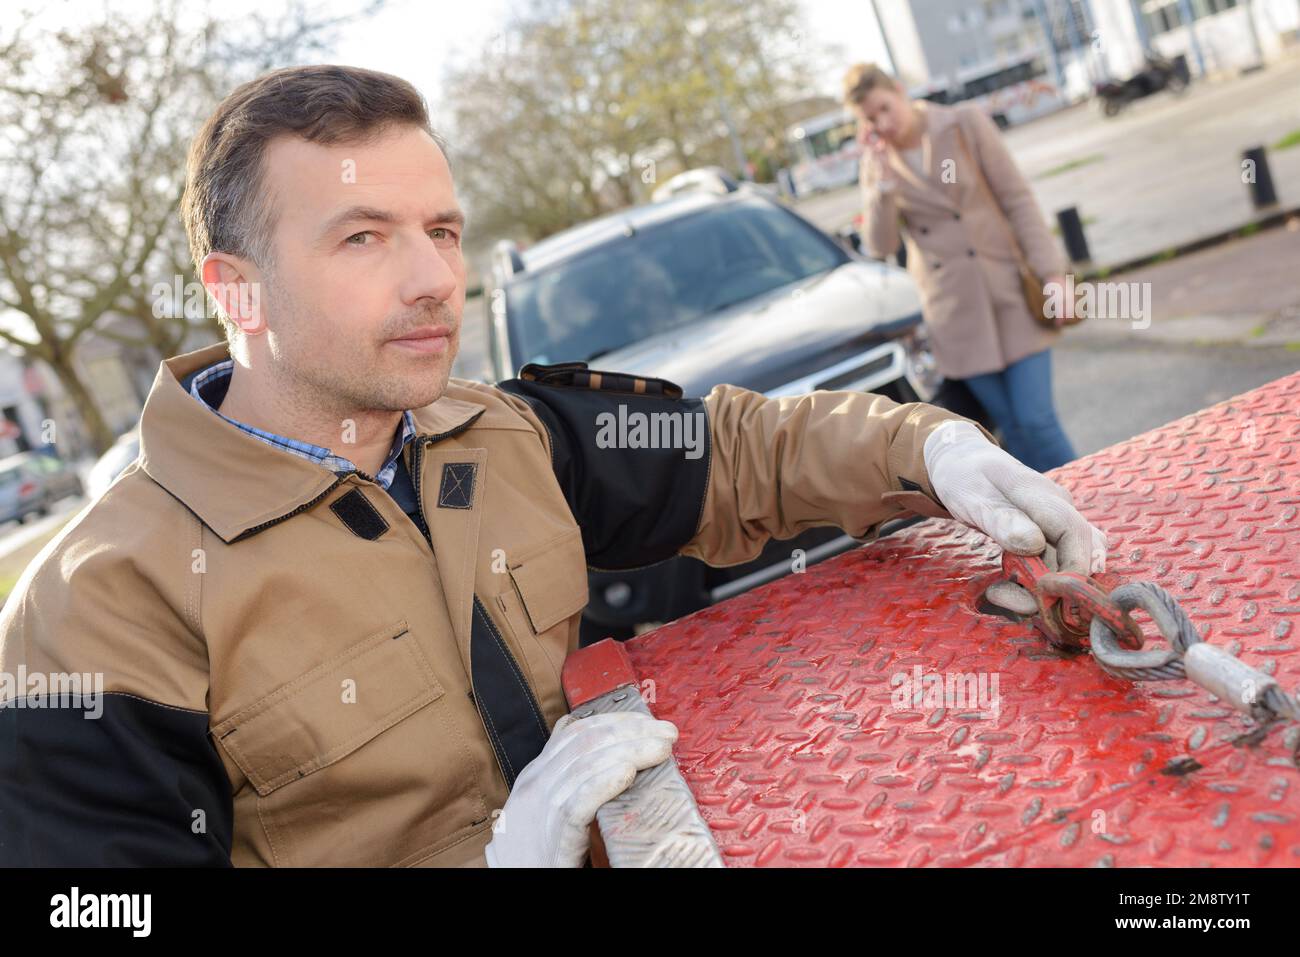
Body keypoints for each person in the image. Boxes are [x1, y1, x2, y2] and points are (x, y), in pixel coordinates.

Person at [0, 65, 1105, 867]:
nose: (435, 276)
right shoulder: (97, 614)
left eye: (442, 229)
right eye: (363, 237)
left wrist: (927, 444)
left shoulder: (502, 437)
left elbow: (735, 453)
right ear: (234, 288)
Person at [845, 63, 1078, 473]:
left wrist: (1052, 274)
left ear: (899, 91)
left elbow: (1017, 200)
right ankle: (1048, 524)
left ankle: (1090, 509)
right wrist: (880, 185)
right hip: (955, 314)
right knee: (1011, 431)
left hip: (1010, 291)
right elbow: (881, 245)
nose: (884, 122)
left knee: (1037, 420)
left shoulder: (962, 124)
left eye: (885, 108)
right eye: (870, 118)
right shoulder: (877, 164)